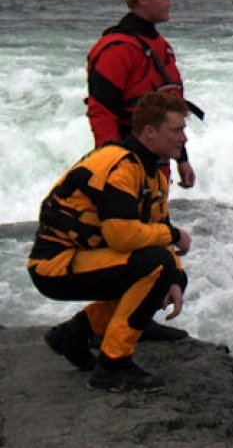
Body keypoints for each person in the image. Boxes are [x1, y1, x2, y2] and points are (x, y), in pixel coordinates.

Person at [28, 93, 193, 392]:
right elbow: (123, 236)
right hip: (54, 265)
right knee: (157, 265)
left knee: (171, 273)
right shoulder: (118, 165)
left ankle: (74, 334)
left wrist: (173, 278)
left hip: (89, 256)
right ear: (150, 132)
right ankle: (113, 366)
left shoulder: (152, 173)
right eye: (177, 130)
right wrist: (173, 236)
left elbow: (154, 231)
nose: (184, 138)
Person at [86, 0, 203, 190]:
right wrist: (111, 164)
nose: (169, 3)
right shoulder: (116, 49)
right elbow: (101, 111)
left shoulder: (162, 47)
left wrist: (182, 159)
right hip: (127, 161)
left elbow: (173, 109)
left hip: (159, 163)